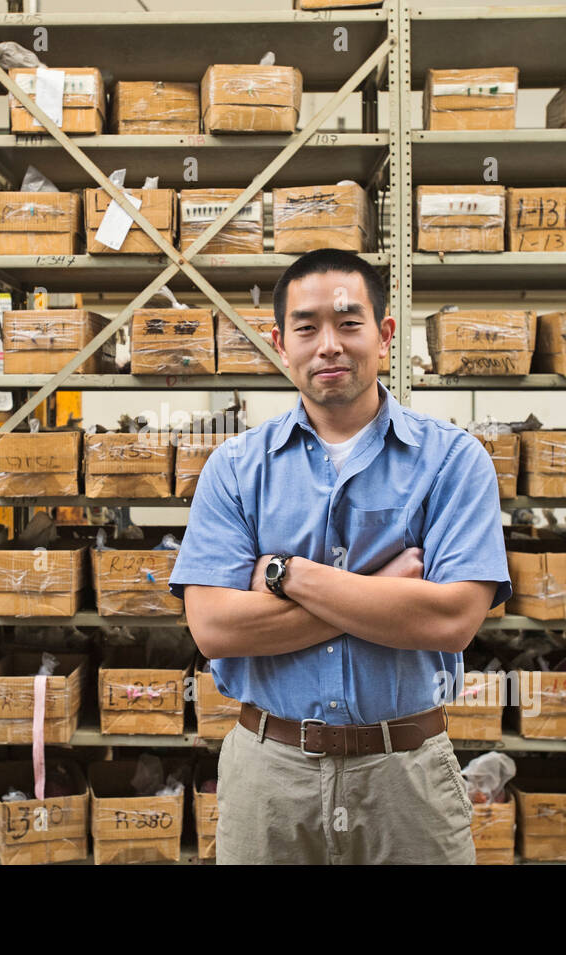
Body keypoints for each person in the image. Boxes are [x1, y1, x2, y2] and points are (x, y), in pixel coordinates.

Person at [169, 248, 511, 865]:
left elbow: (451, 621)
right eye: (306, 327)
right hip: (268, 777)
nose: (328, 344)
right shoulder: (236, 470)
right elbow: (215, 629)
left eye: (349, 324)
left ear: (383, 337)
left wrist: (285, 574)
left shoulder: (453, 462)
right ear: (281, 344)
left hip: (406, 775)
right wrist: (383, 588)